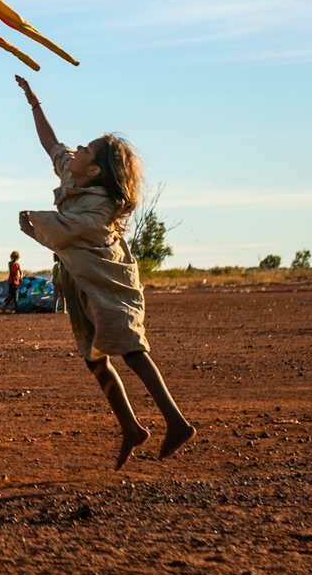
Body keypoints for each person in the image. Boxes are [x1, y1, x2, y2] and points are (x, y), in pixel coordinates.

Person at [13, 76, 195, 468]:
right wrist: (34, 104)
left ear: (94, 171)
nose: (75, 149)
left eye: (85, 149)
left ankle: (176, 422)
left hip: (109, 284)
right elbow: (51, 144)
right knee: (94, 357)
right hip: (81, 284)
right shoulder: (72, 177)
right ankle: (132, 427)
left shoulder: (99, 206)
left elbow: (73, 231)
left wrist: (36, 223)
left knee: (130, 348)